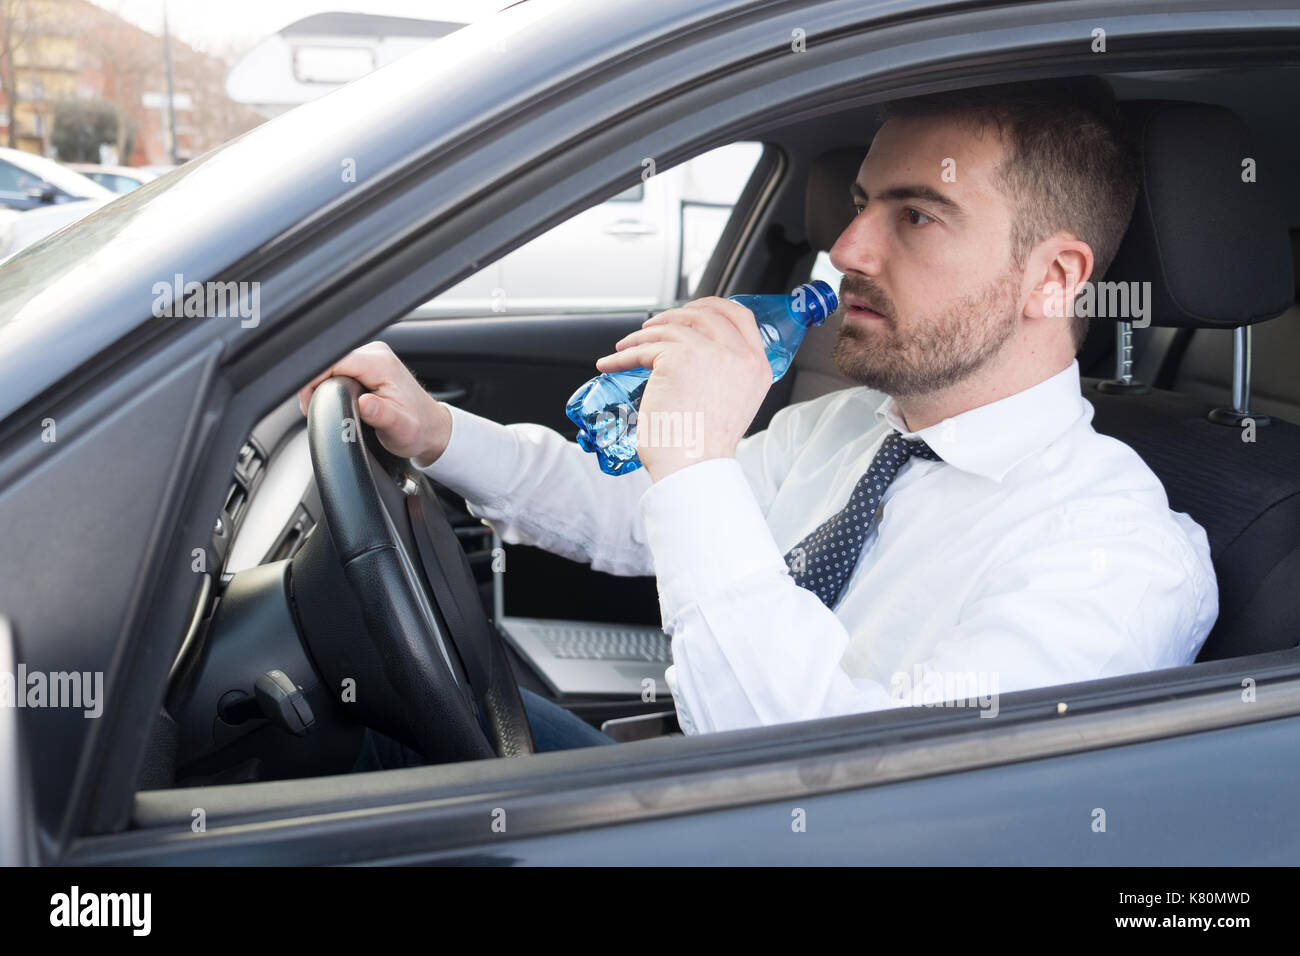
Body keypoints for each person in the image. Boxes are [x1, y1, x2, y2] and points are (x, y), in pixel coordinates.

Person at [301, 78, 1218, 757]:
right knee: (347, 720)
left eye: (919, 216)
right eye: (862, 205)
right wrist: (439, 435)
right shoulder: (853, 428)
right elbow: (646, 513)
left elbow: (844, 790)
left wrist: (699, 463)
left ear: (1053, 278)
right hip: (681, 779)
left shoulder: (1115, 558)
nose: (847, 248)